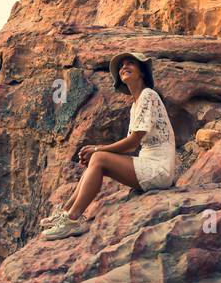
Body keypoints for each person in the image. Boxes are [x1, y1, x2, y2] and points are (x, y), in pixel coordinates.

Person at [41, 52, 177, 240]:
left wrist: (98, 148)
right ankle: (65, 212)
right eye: (121, 66)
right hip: (148, 163)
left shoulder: (148, 95)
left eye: (131, 63)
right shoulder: (136, 104)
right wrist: (98, 151)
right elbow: (131, 146)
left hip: (158, 169)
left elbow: (132, 143)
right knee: (96, 160)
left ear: (142, 73)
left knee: (99, 157)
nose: (124, 67)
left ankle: (72, 220)